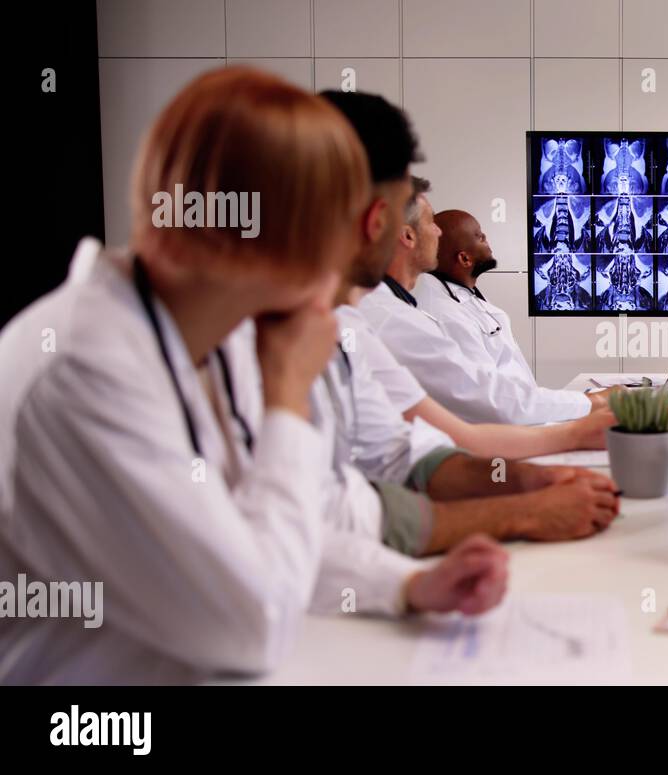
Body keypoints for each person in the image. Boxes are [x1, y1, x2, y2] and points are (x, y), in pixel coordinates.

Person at [0, 68, 505, 684]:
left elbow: (273, 525)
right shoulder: (84, 369)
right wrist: (288, 398)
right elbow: (251, 623)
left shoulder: (222, 337)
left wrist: (406, 583)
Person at [314, 91, 622, 556]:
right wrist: (523, 508)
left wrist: (536, 478)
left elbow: (409, 453)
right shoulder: (361, 318)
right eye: (422, 216)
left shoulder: (348, 324)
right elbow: (319, 526)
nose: (436, 232)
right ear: (385, 222)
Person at [343, 176, 616, 456]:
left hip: (506, 431)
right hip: (503, 435)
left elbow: (464, 423)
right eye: (430, 222)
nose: (437, 232)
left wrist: (574, 421)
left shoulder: (392, 310)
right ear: (407, 236)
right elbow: (488, 399)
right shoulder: (395, 318)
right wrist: (585, 411)